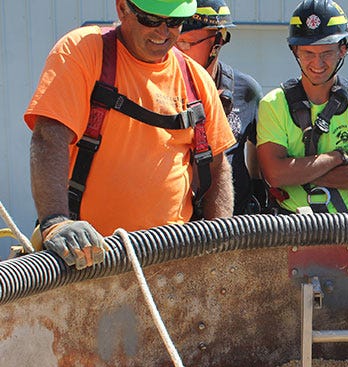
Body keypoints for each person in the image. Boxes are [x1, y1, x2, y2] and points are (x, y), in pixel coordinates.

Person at [25, 0, 236, 270]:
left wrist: (217, 249)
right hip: (87, 259)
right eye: (151, 19)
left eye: (173, 22)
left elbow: (217, 169)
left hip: (170, 261)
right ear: (122, 8)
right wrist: (56, 222)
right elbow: (49, 137)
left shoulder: (196, 82)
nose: (163, 32)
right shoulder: (84, 52)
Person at [256, 0, 348, 214]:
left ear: (343, 49)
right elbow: (275, 175)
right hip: (289, 227)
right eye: (308, 53)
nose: (318, 63)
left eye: (327, 53)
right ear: (295, 50)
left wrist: (296, 172)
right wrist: (339, 157)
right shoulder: (274, 104)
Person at [177, 0, 264, 215]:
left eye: (186, 42)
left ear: (218, 41)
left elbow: (258, 159)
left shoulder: (246, 91)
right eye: (174, 42)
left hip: (233, 223)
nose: (178, 52)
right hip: (176, 229)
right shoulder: (159, 90)